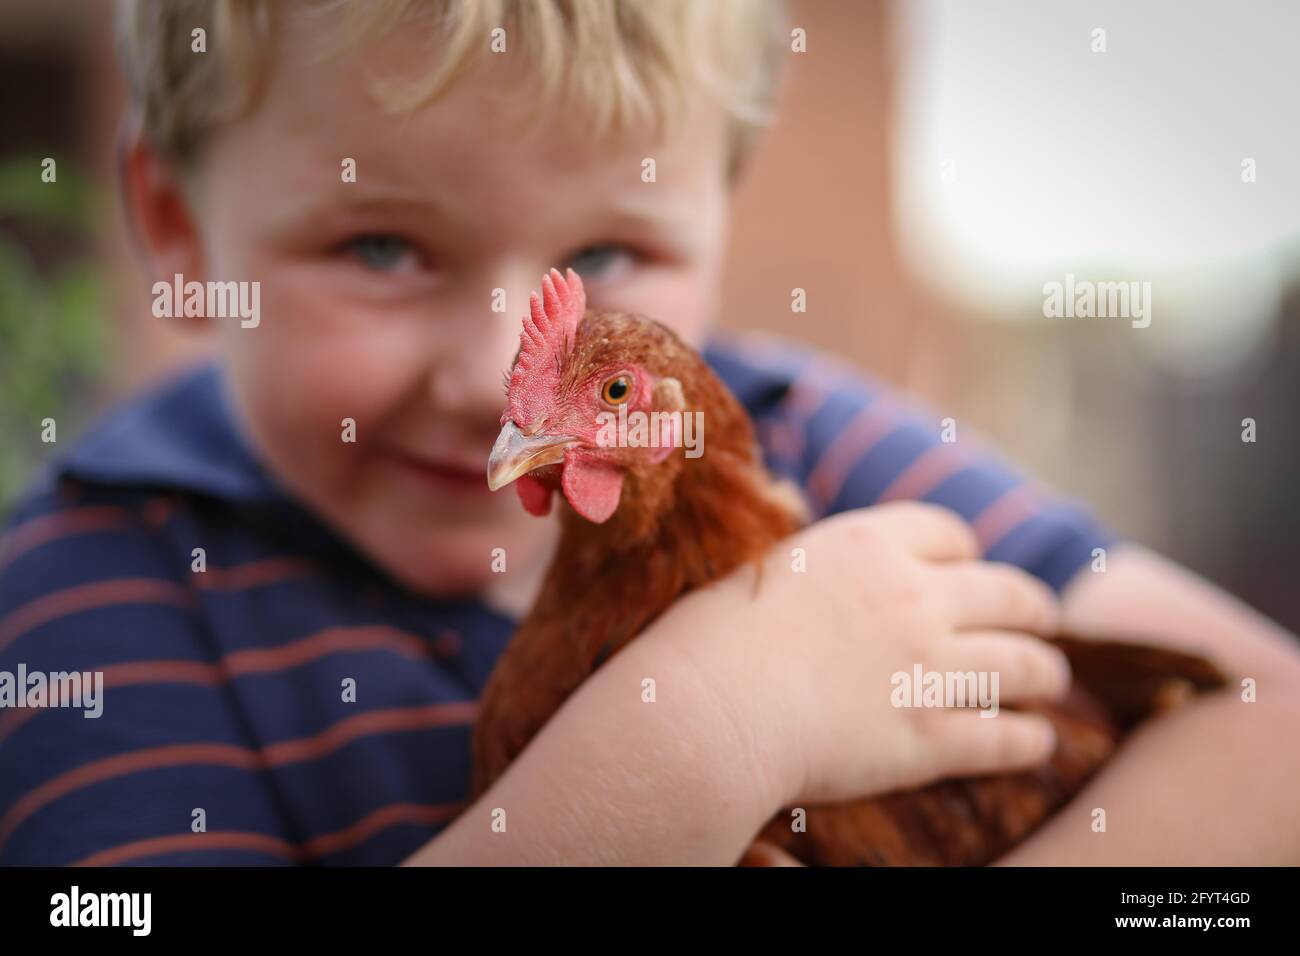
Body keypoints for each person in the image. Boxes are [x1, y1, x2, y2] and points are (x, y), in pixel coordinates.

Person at [0, 0, 1296, 866]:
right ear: (176, 235)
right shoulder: (82, 605)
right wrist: (704, 741)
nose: (489, 374)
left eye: (607, 248)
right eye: (379, 244)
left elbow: (1272, 728)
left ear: (725, 214)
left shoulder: (804, 440)